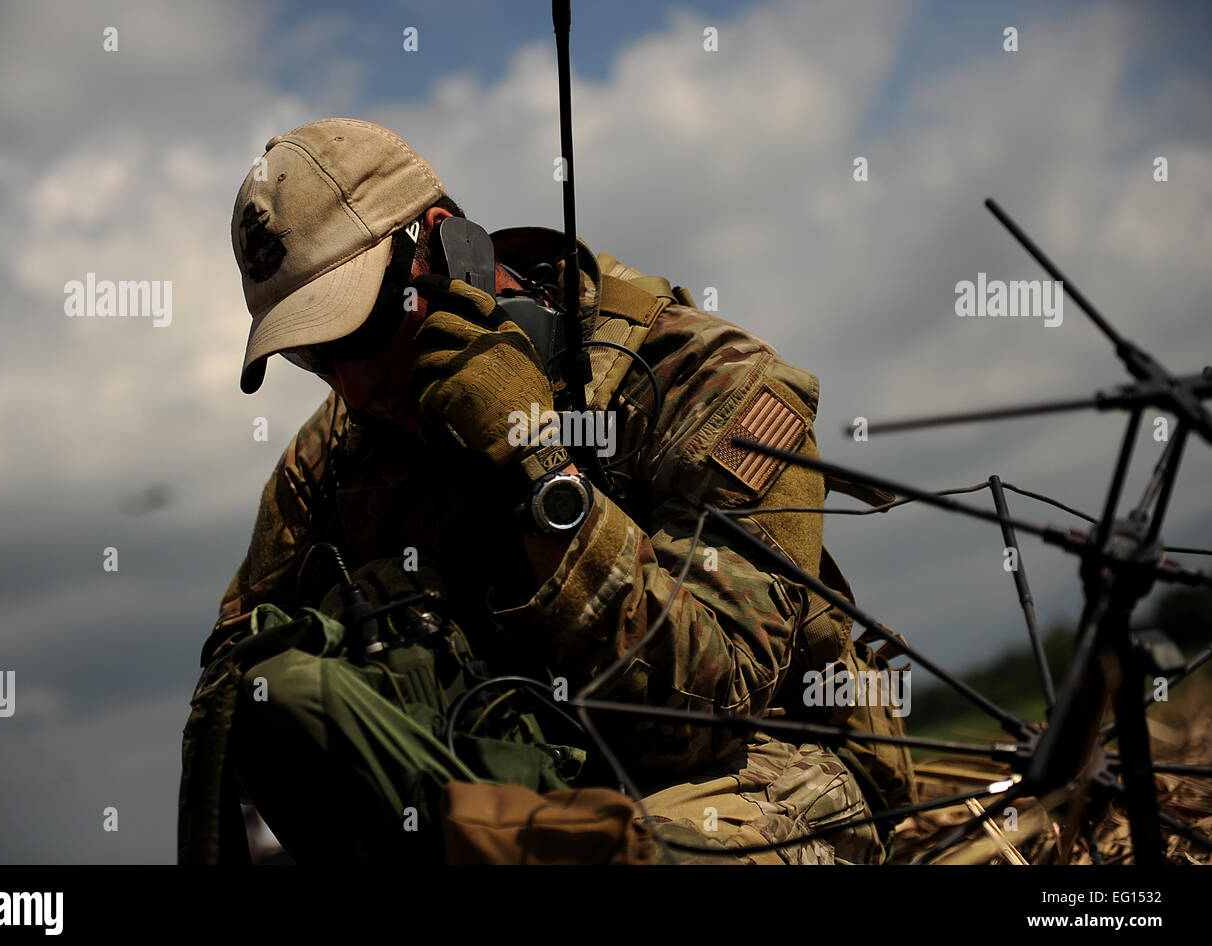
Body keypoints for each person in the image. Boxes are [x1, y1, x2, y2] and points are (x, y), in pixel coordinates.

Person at [180, 117, 911, 865]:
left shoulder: (707, 381)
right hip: (499, 800)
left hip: (754, 773)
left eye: (363, 327)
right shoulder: (333, 455)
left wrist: (538, 470)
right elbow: (240, 687)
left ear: (443, 245)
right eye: (314, 353)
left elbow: (705, 713)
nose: (355, 383)